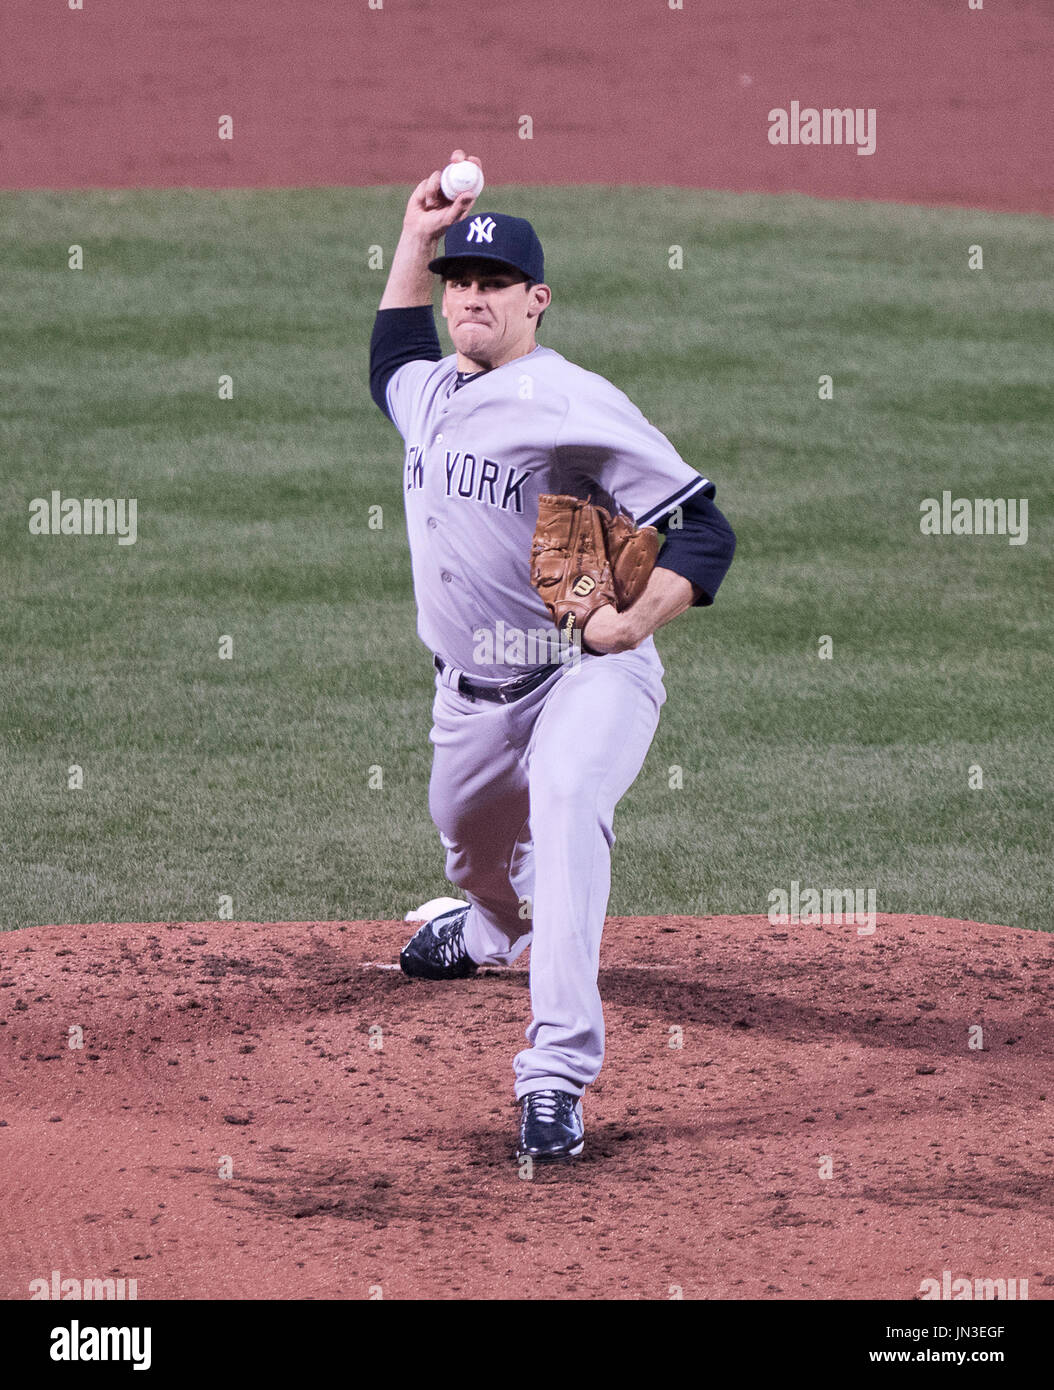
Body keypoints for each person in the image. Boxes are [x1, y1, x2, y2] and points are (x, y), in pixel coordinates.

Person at [369, 150, 736, 1160]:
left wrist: (631, 622)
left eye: (493, 285)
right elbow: (386, 357)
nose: (471, 299)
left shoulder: (571, 400)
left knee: (568, 801)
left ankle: (556, 1077)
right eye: (461, 285)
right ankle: (487, 929)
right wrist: (415, 235)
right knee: (472, 852)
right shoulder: (430, 393)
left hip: (584, 673)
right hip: (471, 705)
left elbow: (704, 531)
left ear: (537, 301)